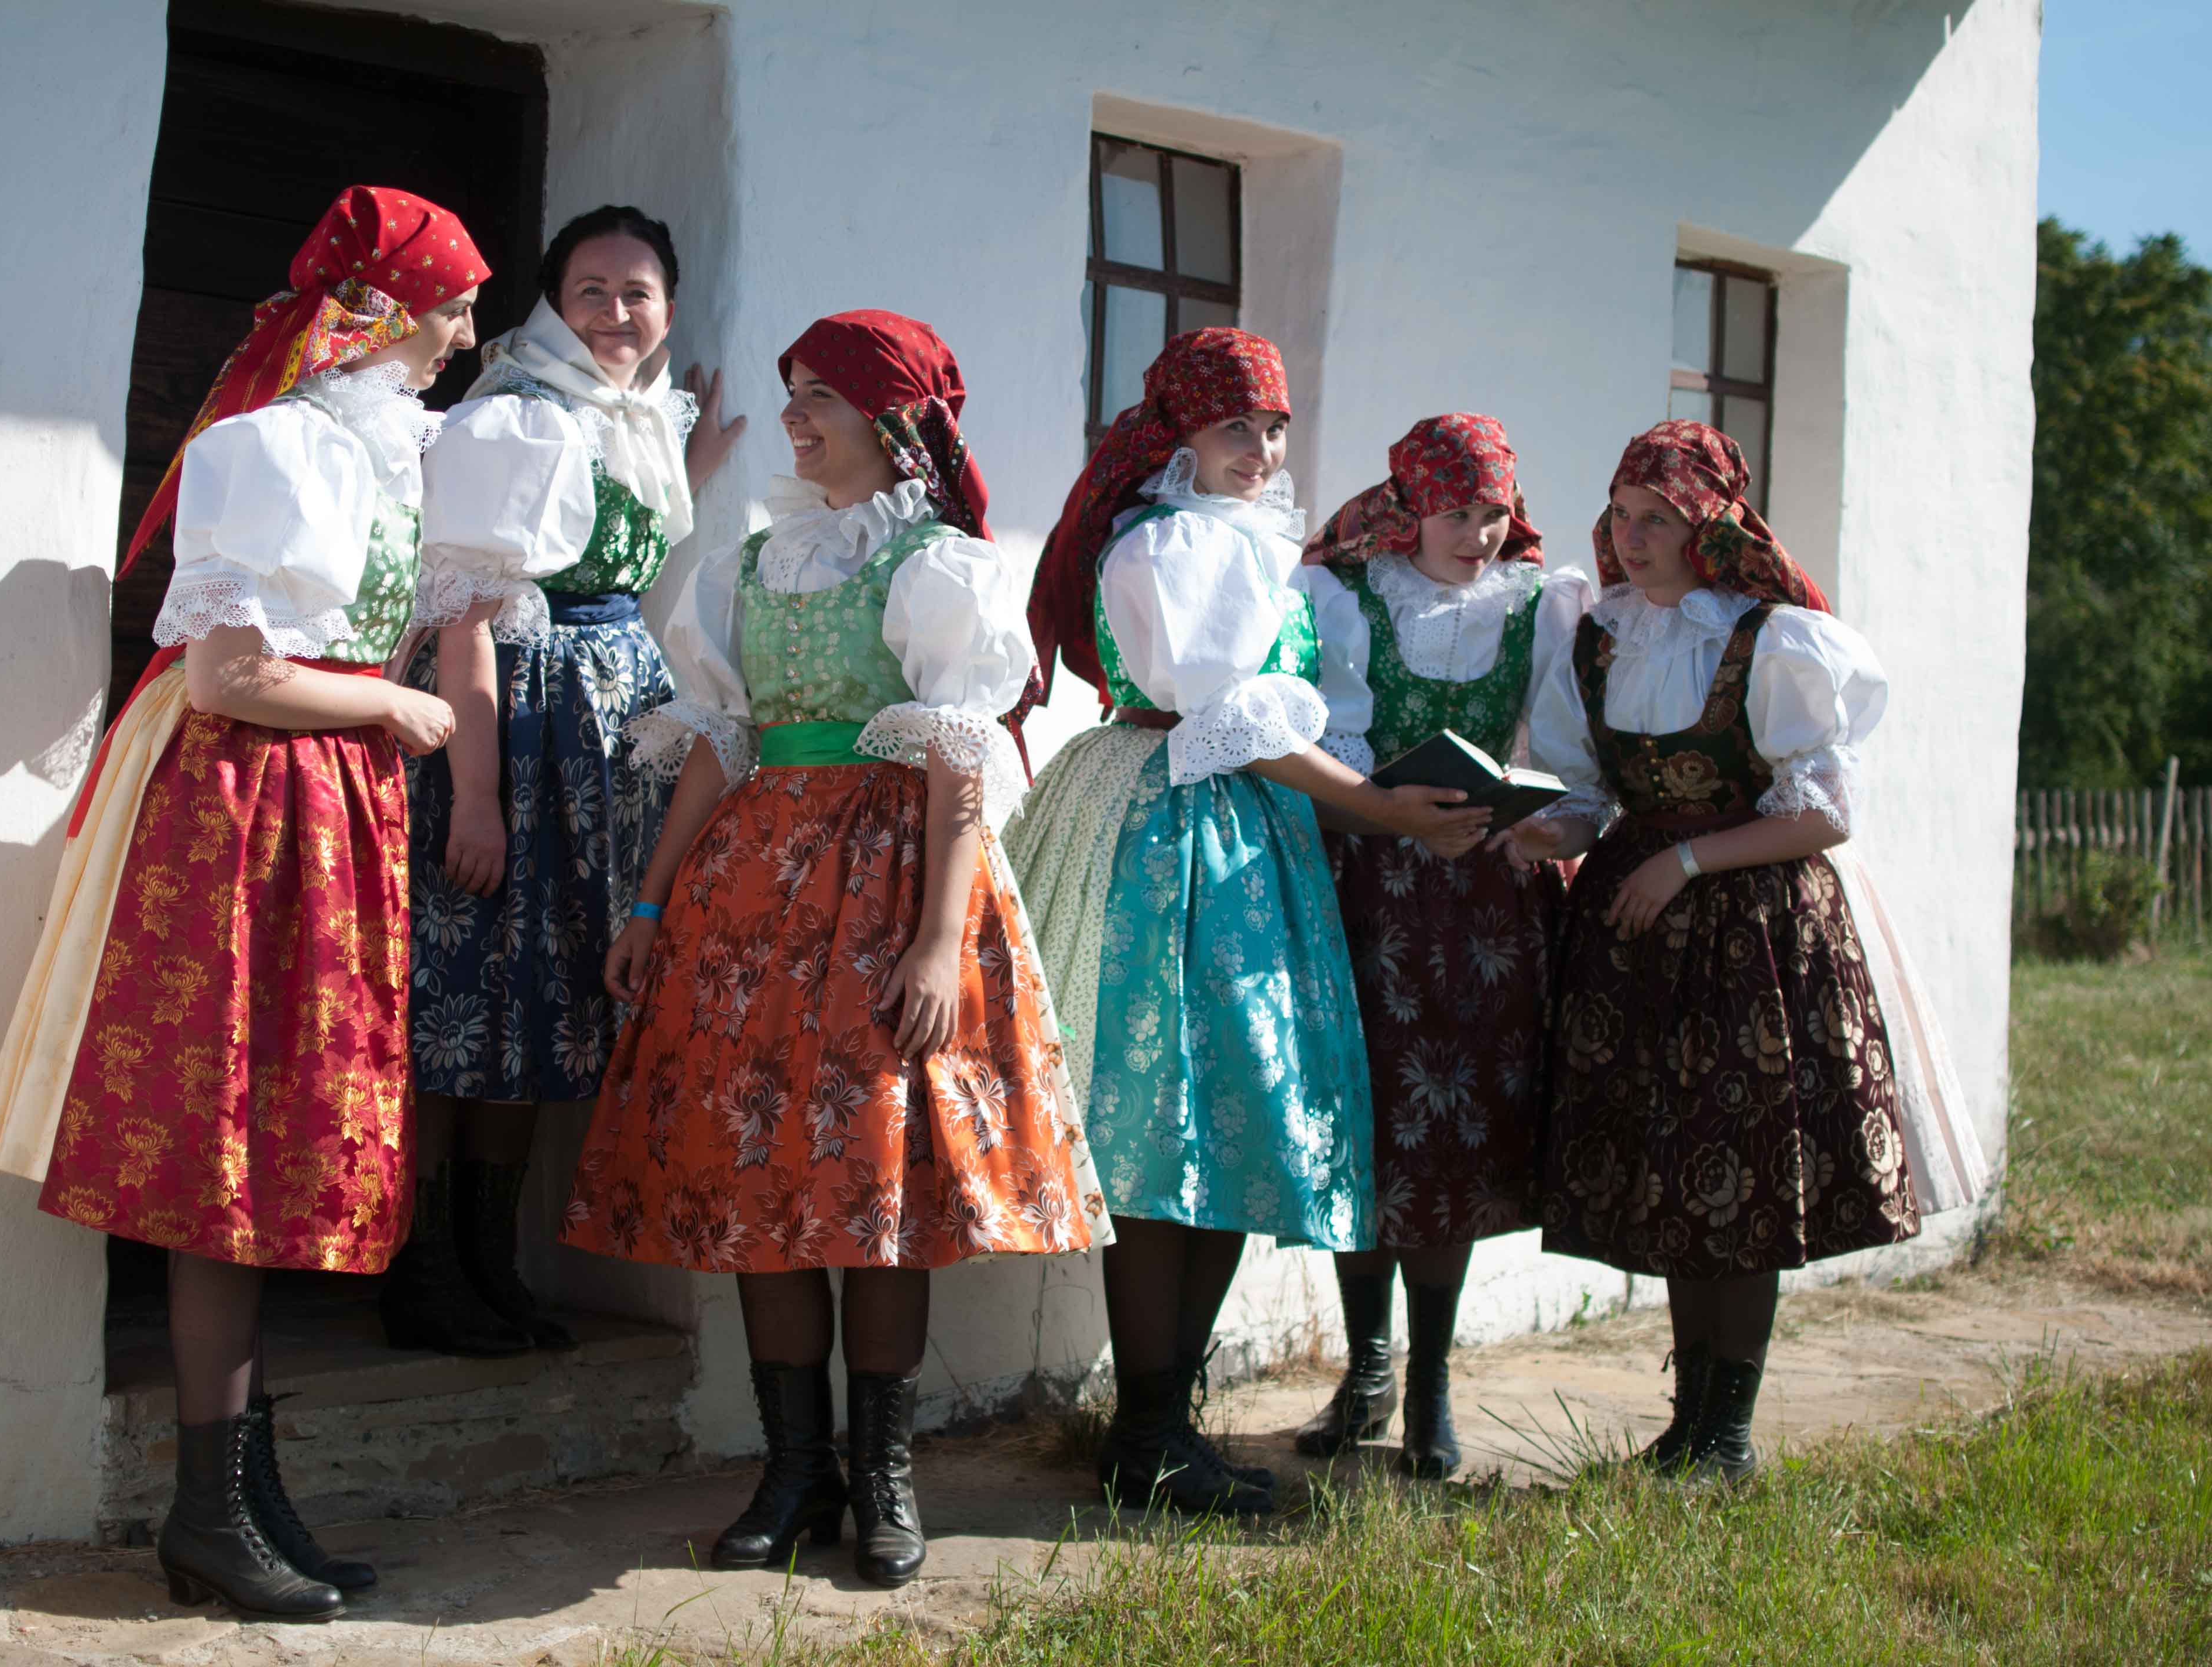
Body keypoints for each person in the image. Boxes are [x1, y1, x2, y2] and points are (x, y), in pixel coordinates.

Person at [0, 187, 486, 1617]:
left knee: (287, 1145)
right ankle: (207, 1509)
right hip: (253, 809)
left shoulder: (389, 455)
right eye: (451, 308)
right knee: (232, 1150)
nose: (463, 337)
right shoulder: (267, 450)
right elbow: (229, 675)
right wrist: (390, 703)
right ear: (380, 311)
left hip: (331, 808)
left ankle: (244, 1489)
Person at [560, 310, 1101, 1587]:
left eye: (823, 398)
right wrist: (650, 905)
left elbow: (958, 760)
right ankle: (796, 1470)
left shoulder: (937, 567)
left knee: (875, 1190)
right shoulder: (748, 567)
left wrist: (936, 943)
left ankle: (886, 1473)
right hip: (752, 903)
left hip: (891, 889)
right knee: (769, 1185)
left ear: (894, 421)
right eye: (793, 392)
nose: (796, 418)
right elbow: (721, 741)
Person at [1007, 328, 1469, 1516]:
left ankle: (1163, 1428)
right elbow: (1228, 718)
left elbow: (1274, 716)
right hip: (1172, 830)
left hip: (1246, 837)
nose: (1261, 449)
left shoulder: (1245, 543)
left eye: (1273, 428)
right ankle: (1148, 1434)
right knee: (1162, 1126)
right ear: (1180, 433)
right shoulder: (1168, 543)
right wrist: (1374, 805)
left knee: (1228, 1121)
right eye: (1235, 428)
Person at [1510, 419, 1923, 1483]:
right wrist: (1535, 833)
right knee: (1674, 1178)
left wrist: (1685, 862)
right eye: (1622, 516)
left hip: (1753, 930)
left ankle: (1728, 1435)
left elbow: (1823, 815)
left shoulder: (1773, 640)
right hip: (1639, 937)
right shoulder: (1599, 638)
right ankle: (1688, 1425)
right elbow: (1586, 798)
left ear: (1711, 530)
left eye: (1659, 520)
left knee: (1741, 1175)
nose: (1633, 538)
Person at [389, 205, 746, 1357]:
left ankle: (492, 1263)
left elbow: (611, 544)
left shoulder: (625, 418)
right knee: (464, 992)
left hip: (596, 738)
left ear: (669, 308)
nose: (615, 312)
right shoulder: (514, 415)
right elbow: (466, 617)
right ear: (551, 302)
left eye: (638, 292)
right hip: (508, 724)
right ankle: (424, 1269)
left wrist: (688, 466)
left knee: (544, 1000)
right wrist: (476, 795)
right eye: (591, 290)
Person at [1292, 414, 1595, 1477]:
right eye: (1457, 512)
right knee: (1366, 1126)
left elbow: (1569, 761)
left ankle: (1429, 1386)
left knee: (1453, 1142)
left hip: (1487, 902)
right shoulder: (1346, 597)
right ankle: (1368, 1368)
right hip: (1371, 889)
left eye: (1494, 512)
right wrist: (1386, 809)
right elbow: (1328, 747)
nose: (1479, 534)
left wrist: (1544, 823)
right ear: (1412, 508)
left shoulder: (1541, 605)